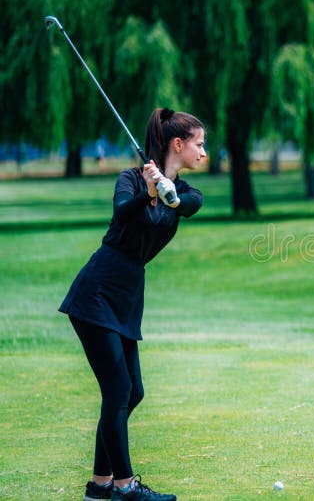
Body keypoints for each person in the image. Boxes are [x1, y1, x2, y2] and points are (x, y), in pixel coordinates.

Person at [59, 108, 206, 501]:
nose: (204, 152)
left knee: (132, 391)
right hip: (97, 290)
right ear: (178, 144)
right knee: (118, 388)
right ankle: (124, 487)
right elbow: (122, 214)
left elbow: (190, 205)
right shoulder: (130, 179)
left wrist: (170, 194)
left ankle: (99, 486)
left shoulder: (187, 191)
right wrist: (149, 193)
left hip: (127, 296)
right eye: (199, 144)